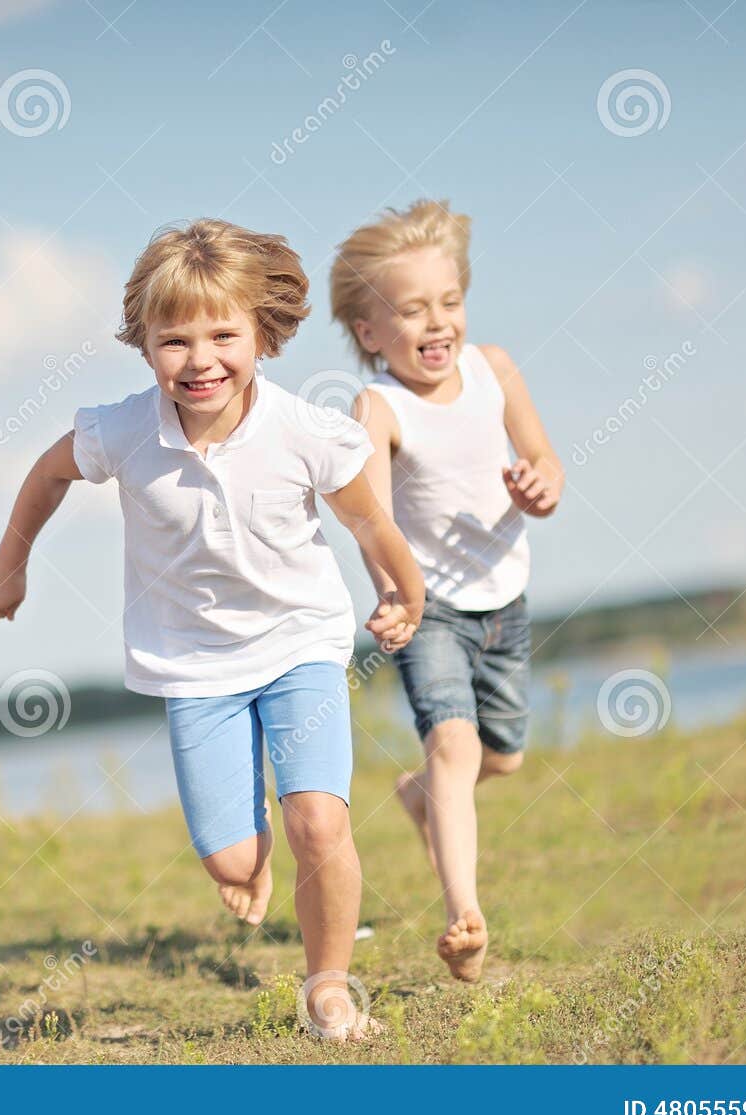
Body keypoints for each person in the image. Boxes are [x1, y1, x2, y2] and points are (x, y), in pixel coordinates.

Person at [0, 219, 424, 1038]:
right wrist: (11, 562)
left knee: (317, 818)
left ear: (263, 334)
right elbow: (46, 472)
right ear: (144, 347)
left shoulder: (301, 429)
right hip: (194, 665)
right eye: (174, 339)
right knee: (233, 861)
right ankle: (251, 860)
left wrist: (405, 589)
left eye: (224, 334)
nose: (201, 358)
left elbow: (370, 524)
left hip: (299, 646)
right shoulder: (123, 430)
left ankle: (328, 984)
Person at [330, 199, 564, 981]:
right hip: (430, 611)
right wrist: (395, 593)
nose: (438, 324)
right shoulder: (379, 408)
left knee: (503, 758)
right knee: (454, 748)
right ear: (369, 332)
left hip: (506, 600)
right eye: (411, 311)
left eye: (450, 303)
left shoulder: (494, 370)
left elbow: (545, 460)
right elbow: (369, 518)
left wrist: (540, 485)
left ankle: (420, 795)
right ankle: (465, 916)